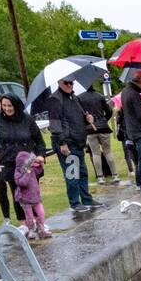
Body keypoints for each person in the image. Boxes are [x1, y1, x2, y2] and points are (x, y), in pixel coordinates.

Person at [47, 78, 103, 214]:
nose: (69, 85)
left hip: (78, 141)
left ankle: (86, 199)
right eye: (66, 83)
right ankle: (75, 202)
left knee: (83, 172)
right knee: (72, 173)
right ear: (59, 83)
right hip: (67, 142)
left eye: (71, 82)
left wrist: (88, 118)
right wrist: (62, 143)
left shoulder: (75, 98)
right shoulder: (55, 99)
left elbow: (81, 116)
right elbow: (55, 124)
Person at [0, 95, 46, 226]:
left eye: (9, 106)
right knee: (17, 193)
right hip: (9, 162)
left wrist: (41, 154)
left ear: (16, 105)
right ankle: (24, 223)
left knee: (32, 192)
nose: (7, 109)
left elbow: (39, 140)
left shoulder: (27, 119)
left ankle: (39, 221)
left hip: (28, 162)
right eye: (4, 106)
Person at [78, 82, 121, 184]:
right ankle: (115, 175)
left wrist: (86, 123)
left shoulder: (80, 98)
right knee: (108, 152)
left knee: (95, 153)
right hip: (104, 128)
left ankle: (100, 177)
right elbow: (109, 111)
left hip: (90, 129)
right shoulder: (100, 96)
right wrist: (104, 120)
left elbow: (80, 115)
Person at [13, 152, 51, 240]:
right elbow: (22, 183)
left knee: (41, 214)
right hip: (25, 199)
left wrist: (40, 164)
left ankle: (41, 229)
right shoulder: (18, 172)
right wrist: (27, 173)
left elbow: (39, 171)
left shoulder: (32, 169)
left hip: (35, 197)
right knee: (29, 217)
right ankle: (31, 230)